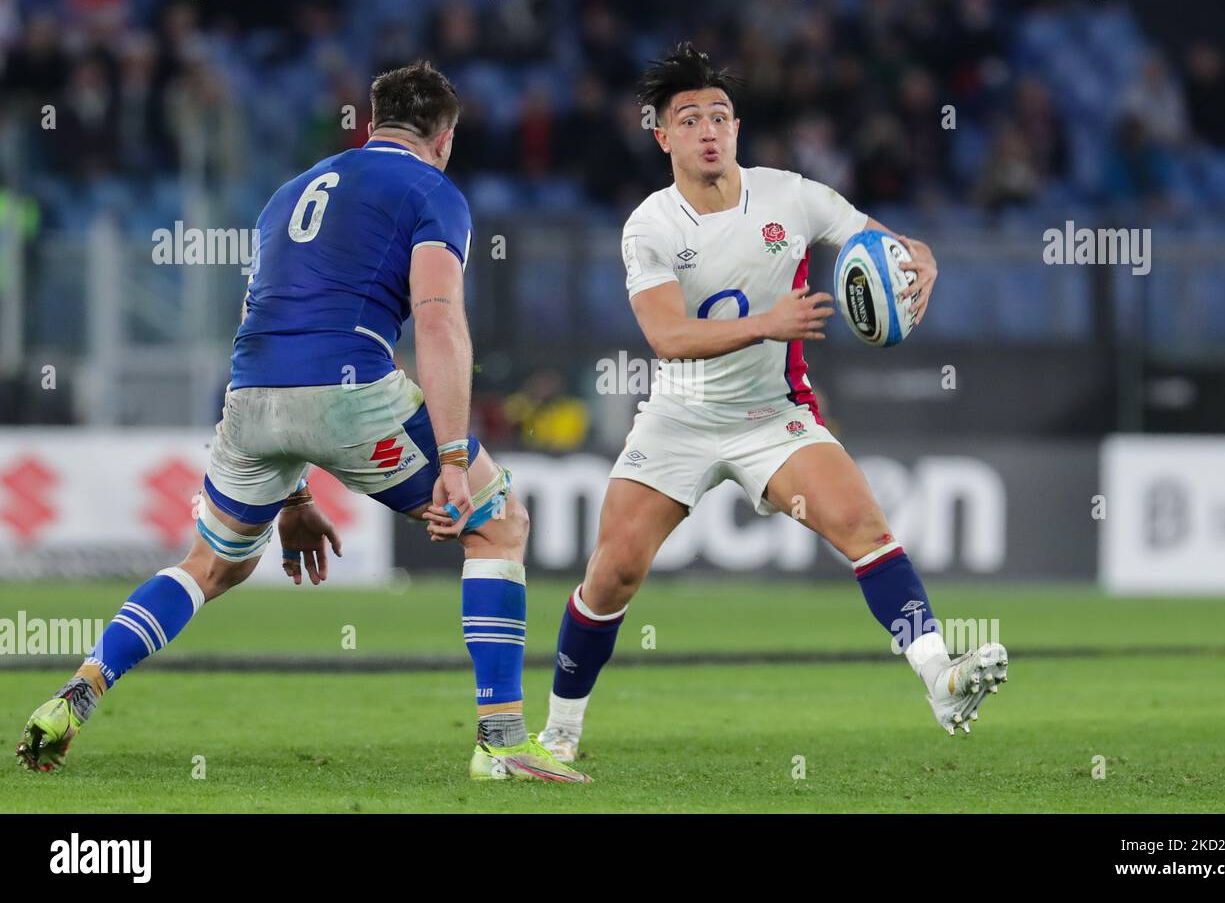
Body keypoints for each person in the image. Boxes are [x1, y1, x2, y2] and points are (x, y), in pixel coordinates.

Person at [16, 61, 587, 785]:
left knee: (211, 563)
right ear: (444, 138)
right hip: (353, 391)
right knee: (497, 523)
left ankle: (83, 687)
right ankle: (502, 742)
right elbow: (440, 323)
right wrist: (450, 459)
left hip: (252, 393)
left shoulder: (287, 195)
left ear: (369, 124)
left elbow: (275, 321)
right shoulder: (432, 191)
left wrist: (293, 496)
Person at [537, 44, 1008, 764]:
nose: (708, 129)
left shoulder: (792, 195)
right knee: (613, 572)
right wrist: (766, 323)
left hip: (774, 415)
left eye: (720, 115)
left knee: (864, 524)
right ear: (662, 135)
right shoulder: (651, 225)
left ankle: (940, 675)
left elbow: (876, 241)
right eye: (688, 118)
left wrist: (920, 254)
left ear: (736, 127)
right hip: (680, 416)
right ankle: (560, 737)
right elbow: (666, 335)